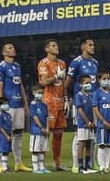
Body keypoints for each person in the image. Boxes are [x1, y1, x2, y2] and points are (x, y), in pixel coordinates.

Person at [0, 42, 32, 172]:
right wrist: (1, 104)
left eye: (13, 47)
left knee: (18, 133)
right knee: (2, 134)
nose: (13, 49)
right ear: (4, 52)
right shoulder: (0, 67)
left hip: (18, 104)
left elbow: (20, 85)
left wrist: (26, 104)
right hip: (7, 104)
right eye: (10, 48)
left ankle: (18, 163)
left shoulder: (17, 66)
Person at [38, 39, 69, 171]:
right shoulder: (43, 63)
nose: (56, 47)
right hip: (49, 102)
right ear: (47, 49)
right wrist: (56, 76)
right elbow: (43, 82)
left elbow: (64, 84)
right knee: (46, 133)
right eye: (53, 45)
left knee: (59, 134)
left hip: (61, 103)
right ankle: (42, 164)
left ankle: (57, 163)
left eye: (57, 45)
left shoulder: (62, 63)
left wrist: (66, 98)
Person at [93, 70, 110, 173]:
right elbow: (95, 109)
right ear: (99, 80)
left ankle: (107, 166)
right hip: (102, 125)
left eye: (108, 79)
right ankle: (101, 167)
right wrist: (103, 121)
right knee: (102, 144)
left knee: (108, 145)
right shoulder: (97, 93)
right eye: (104, 79)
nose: (106, 81)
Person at [73, 73, 98, 174]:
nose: (89, 85)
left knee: (89, 144)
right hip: (83, 124)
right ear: (80, 84)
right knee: (82, 144)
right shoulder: (78, 95)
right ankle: (80, 166)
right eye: (86, 83)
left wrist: (93, 123)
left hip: (91, 124)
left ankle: (87, 166)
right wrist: (87, 122)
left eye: (90, 83)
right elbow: (80, 110)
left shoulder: (91, 95)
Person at [29, 85, 50, 174]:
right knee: (35, 149)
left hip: (44, 131)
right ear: (34, 93)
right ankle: (35, 167)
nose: (40, 95)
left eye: (42, 93)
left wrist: (47, 128)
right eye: (39, 93)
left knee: (42, 149)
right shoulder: (32, 104)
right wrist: (41, 127)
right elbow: (34, 117)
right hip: (36, 131)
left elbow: (47, 117)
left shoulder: (44, 104)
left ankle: (42, 167)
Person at [0, 97, 15, 173]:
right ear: (0, 105)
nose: (7, 105)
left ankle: (5, 166)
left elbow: (11, 125)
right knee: (4, 151)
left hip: (9, 134)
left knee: (7, 151)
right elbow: (0, 127)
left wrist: (11, 135)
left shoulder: (8, 115)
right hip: (3, 136)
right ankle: (4, 167)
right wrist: (6, 135)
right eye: (5, 103)